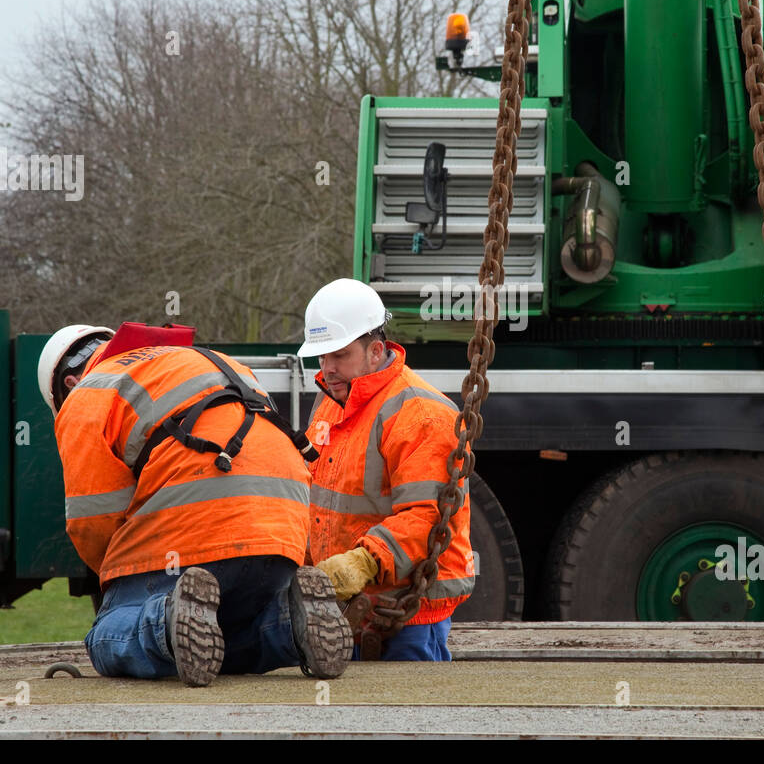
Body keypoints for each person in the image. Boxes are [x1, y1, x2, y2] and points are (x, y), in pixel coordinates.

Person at [38, 322, 353, 687]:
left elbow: (93, 521)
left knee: (108, 635)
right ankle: (289, 626)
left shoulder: (90, 391)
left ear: (67, 385)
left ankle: (167, 620)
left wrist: (117, 578)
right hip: (283, 534)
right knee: (215, 638)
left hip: (192, 541)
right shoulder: (208, 361)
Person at [298, 279, 476, 661]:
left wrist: (364, 561)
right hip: (350, 608)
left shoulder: (420, 415)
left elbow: (427, 515)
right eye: (321, 357)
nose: (327, 370)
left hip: (408, 616)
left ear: (375, 351)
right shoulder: (331, 402)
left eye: (339, 356)